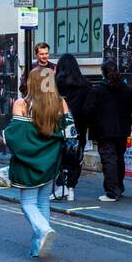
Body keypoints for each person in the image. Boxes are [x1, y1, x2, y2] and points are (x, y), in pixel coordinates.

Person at [2, 68, 72, 258]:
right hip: (50, 162)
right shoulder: (60, 103)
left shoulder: (22, 104)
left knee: (28, 203)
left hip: (28, 164)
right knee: (43, 202)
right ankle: (37, 246)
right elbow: (71, 133)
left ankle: (43, 230)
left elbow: (16, 136)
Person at [84, 57, 132, 202]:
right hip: (122, 131)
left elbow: (87, 110)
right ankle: (119, 187)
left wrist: (90, 124)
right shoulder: (126, 90)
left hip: (103, 131)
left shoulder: (97, 90)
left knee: (109, 160)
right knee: (118, 159)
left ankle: (111, 192)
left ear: (103, 73)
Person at [52, 54, 89, 201]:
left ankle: (61, 186)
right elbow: (88, 107)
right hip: (79, 126)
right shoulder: (85, 84)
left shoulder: (55, 84)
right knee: (76, 157)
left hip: (59, 125)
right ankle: (71, 188)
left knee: (58, 155)